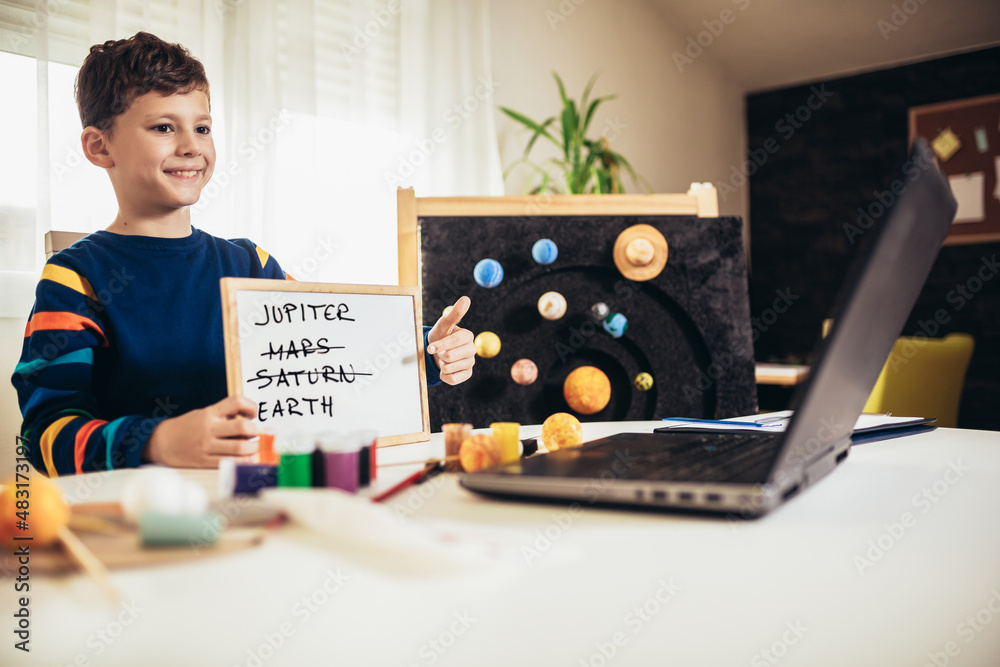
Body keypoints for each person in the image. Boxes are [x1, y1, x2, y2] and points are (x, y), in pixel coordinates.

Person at [11, 32, 476, 476]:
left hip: (259, 500)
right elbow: (45, 434)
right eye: (163, 127)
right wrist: (159, 440)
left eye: (203, 127)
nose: (191, 146)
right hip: (143, 522)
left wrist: (427, 349)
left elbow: (334, 349)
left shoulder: (252, 265)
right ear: (99, 146)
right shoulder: (74, 277)